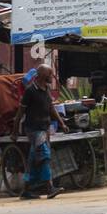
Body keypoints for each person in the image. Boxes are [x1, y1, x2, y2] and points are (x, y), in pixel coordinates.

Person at [15, 63, 68, 200]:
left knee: (34, 160)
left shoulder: (46, 89)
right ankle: (48, 188)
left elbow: (51, 108)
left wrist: (62, 123)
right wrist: (14, 131)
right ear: (44, 76)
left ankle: (26, 190)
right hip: (34, 129)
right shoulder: (30, 91)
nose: (52, 77)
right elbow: (20, 112)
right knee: (44, 156)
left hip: (44, 128)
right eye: (50, 74)